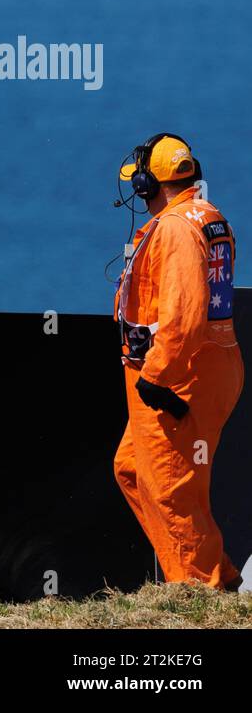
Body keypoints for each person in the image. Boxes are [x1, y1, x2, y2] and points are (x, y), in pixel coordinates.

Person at [113, 133, 243, 590]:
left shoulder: (172, 228)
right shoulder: (208, 216)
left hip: (179, 376)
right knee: (132, 468)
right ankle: (216, 577)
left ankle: (199, 591)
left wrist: (156, 376)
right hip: (206, 368)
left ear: (152, 183)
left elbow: (184, 316)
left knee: (170, 488)